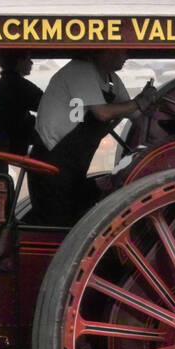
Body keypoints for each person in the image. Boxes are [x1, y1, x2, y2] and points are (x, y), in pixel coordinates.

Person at [28, 51, 159, 227]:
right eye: (122, 51)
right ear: (104, 52)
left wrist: (148, 105)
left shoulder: (111, 80)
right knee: (57, 223)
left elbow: (134, 113)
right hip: (51, 162)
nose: (126, 56)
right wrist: (138, 103)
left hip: (75, 163)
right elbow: (102, 113)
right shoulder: (80, 70)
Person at [0, 51, 44, 167]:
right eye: (28, 59)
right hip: (13, 144)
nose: (32, 63)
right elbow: (47, 106)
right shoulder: (19, 85)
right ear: (19, 61)